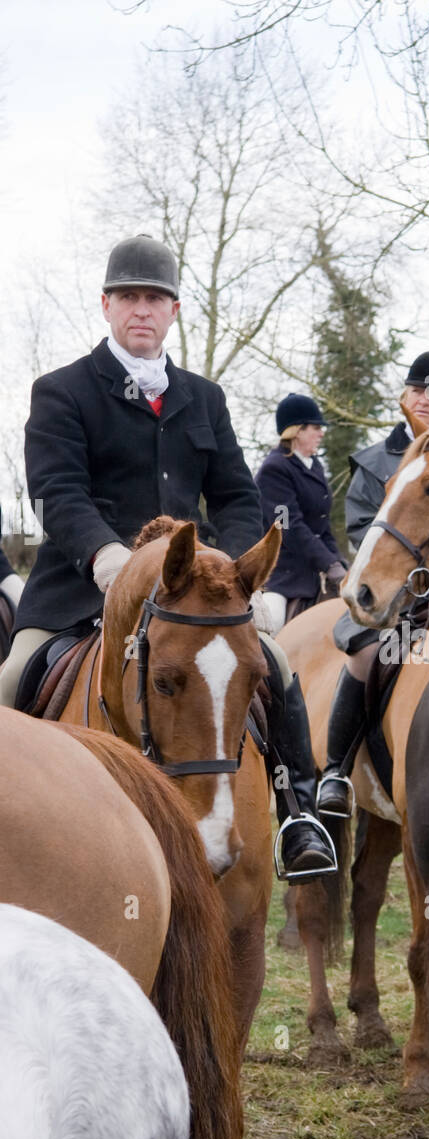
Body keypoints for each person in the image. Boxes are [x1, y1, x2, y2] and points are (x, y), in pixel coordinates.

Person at [0, 233, 335, 879]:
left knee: (276, 666)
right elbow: (57, 490)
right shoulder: (63, 390)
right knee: (13, 676)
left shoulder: (203, 397)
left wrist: (236, 573)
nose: (141, 310)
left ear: (174, 310)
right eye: (128, 297)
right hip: (78, 589)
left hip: (194, 594)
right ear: (106, 306)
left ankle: (298, 810)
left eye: (154, 298)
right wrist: (105, 556)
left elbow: (237, 496)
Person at [316, 348, 429, 815]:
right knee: (368, 652)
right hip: (393, 593)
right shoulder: (376, 461)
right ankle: (336, 771)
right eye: (418, 389)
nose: (426, 399)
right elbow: (360, 526)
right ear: (404, 395)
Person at [255, 393, 346, 632]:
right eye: (315, 427)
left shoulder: (314, 466)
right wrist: (328, 564)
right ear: (297, 430)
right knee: (269, 626)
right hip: (282, 575)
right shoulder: (274, 469)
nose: (321, 433)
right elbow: (289, 527)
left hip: (315, 571)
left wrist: (338, 563)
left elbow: (322, 526)